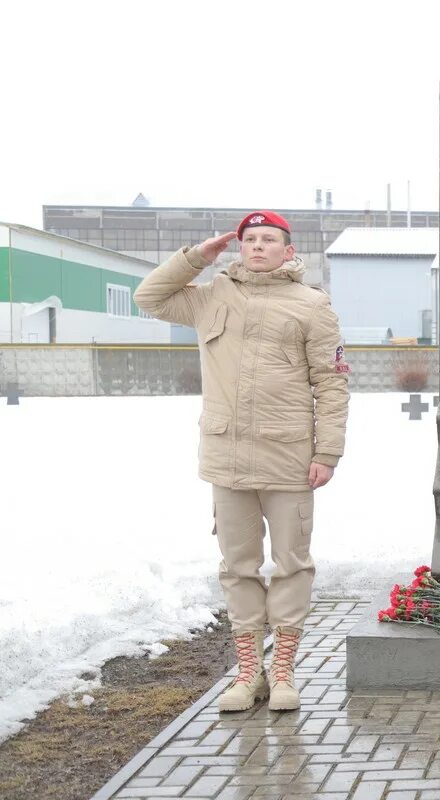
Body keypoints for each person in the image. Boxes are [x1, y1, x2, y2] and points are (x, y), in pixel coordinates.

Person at [134, 211, 349, 712]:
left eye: (268, 239)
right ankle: (248, 672)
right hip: (227, 458)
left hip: (289, 458)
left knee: (292, 563)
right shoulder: (212, 297)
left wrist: (328, 451)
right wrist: (195, 258)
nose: (257, 246)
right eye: (249, 239)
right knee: (237, 566)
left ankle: (284, 671)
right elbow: (150, 297)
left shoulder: (313, 306)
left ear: (288, 251)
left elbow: (332, 383)